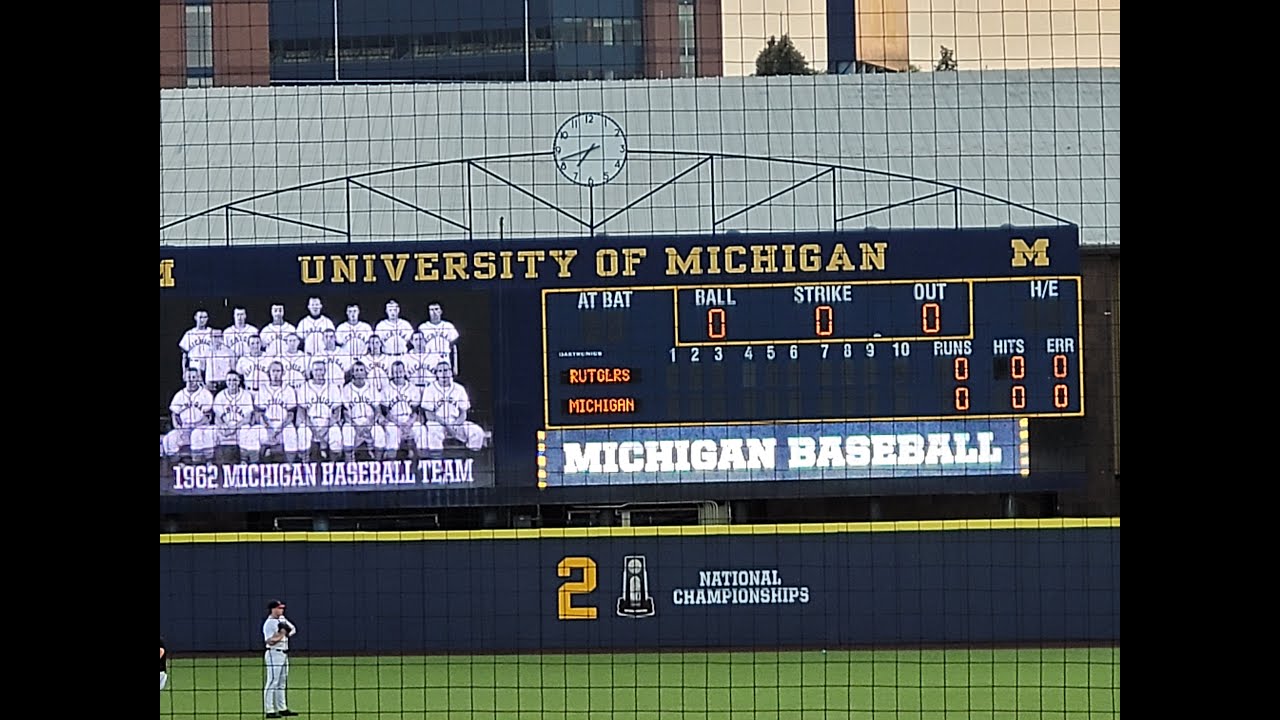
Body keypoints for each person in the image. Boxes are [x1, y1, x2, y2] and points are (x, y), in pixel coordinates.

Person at [420, 361, 486, 455]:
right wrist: (447, 425)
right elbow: (429, 415)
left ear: (451, 372)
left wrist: (455, 424)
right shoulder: (430, 389)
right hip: (437, 422)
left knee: (477, 432)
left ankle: (470, 457)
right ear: (436, 374)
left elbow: (463, 413)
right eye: (440, 371)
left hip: (455, 421)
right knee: (434, 432)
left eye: (446, 370)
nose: (444, 373)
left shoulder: (459, 389)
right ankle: (437, 460)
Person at [262, 600, 299, 718]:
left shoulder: (282, 619)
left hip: (284, 654)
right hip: (274, 654)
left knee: (282, 682)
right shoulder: (268, 623)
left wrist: (284, 633)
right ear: (273, 609)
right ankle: (269, 710)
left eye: (282, 608)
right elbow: (270, 641)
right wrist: (281, 633)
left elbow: (293, 629)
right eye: (279, 608)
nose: (281, 610)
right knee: (272, 681)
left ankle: (282, 708)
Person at [417, 301, 459, 371]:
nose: (434, 312)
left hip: (445, 358)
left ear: (441, 311)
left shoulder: (448, 326)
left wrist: (455, 365)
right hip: (429, 359)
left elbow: (454, 347)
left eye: (436, 309)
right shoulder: (422, 327)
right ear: (428, 312)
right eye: (431, 310)